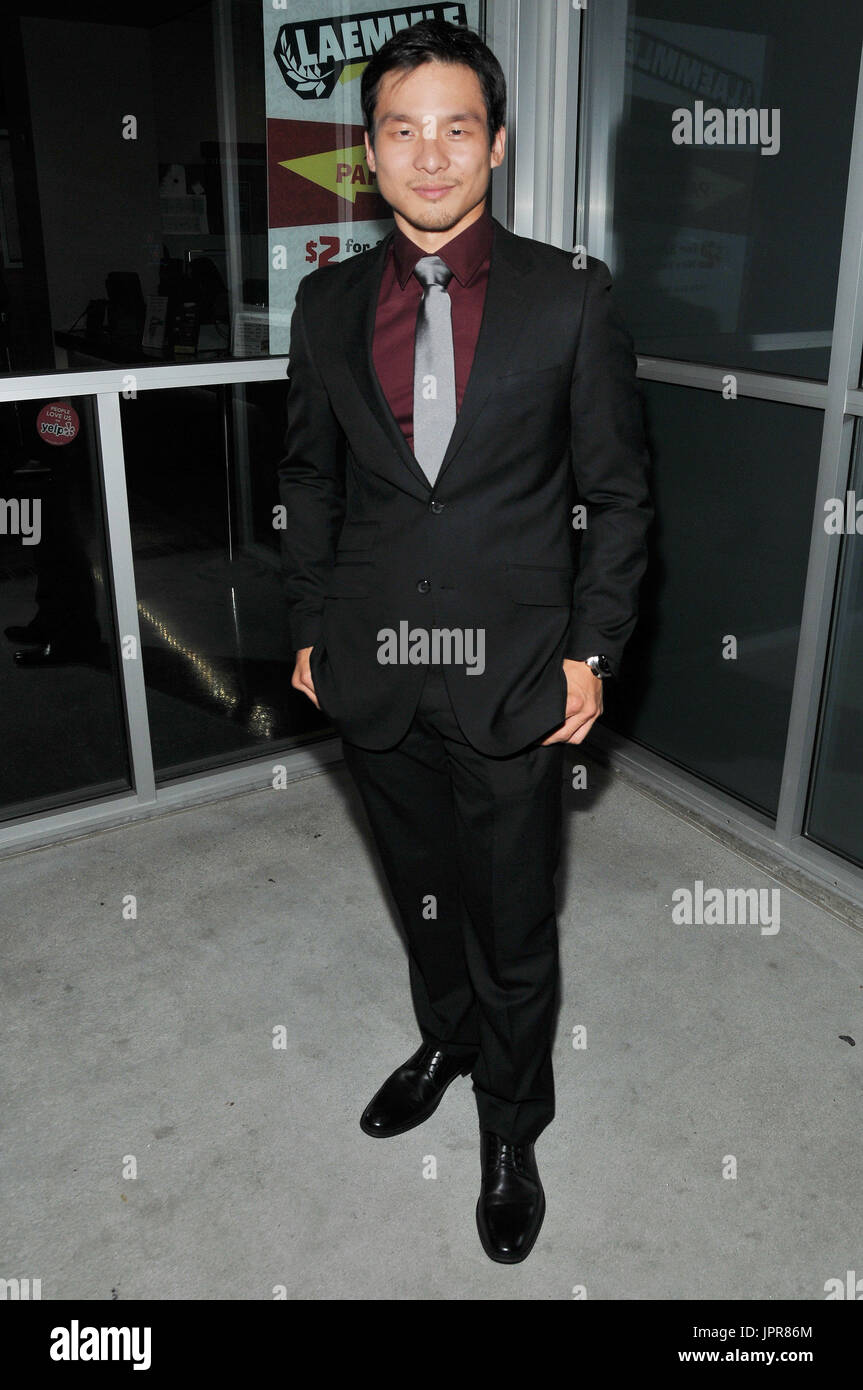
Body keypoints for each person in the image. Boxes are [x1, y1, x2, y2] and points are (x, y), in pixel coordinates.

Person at [279, 19, 653, 1264]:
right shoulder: (327, 302)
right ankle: (442, 1036)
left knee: (511, 919)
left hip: (513, 678)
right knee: (420, 893)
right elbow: (309, 484)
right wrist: (310, 632)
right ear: (369, 155)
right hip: (374, 671)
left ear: (495, 144)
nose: (428, 155)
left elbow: (618, 494)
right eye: (400, 130)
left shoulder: (572, 294)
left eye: (455, 128)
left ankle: (510, 1122)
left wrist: (591, 655)